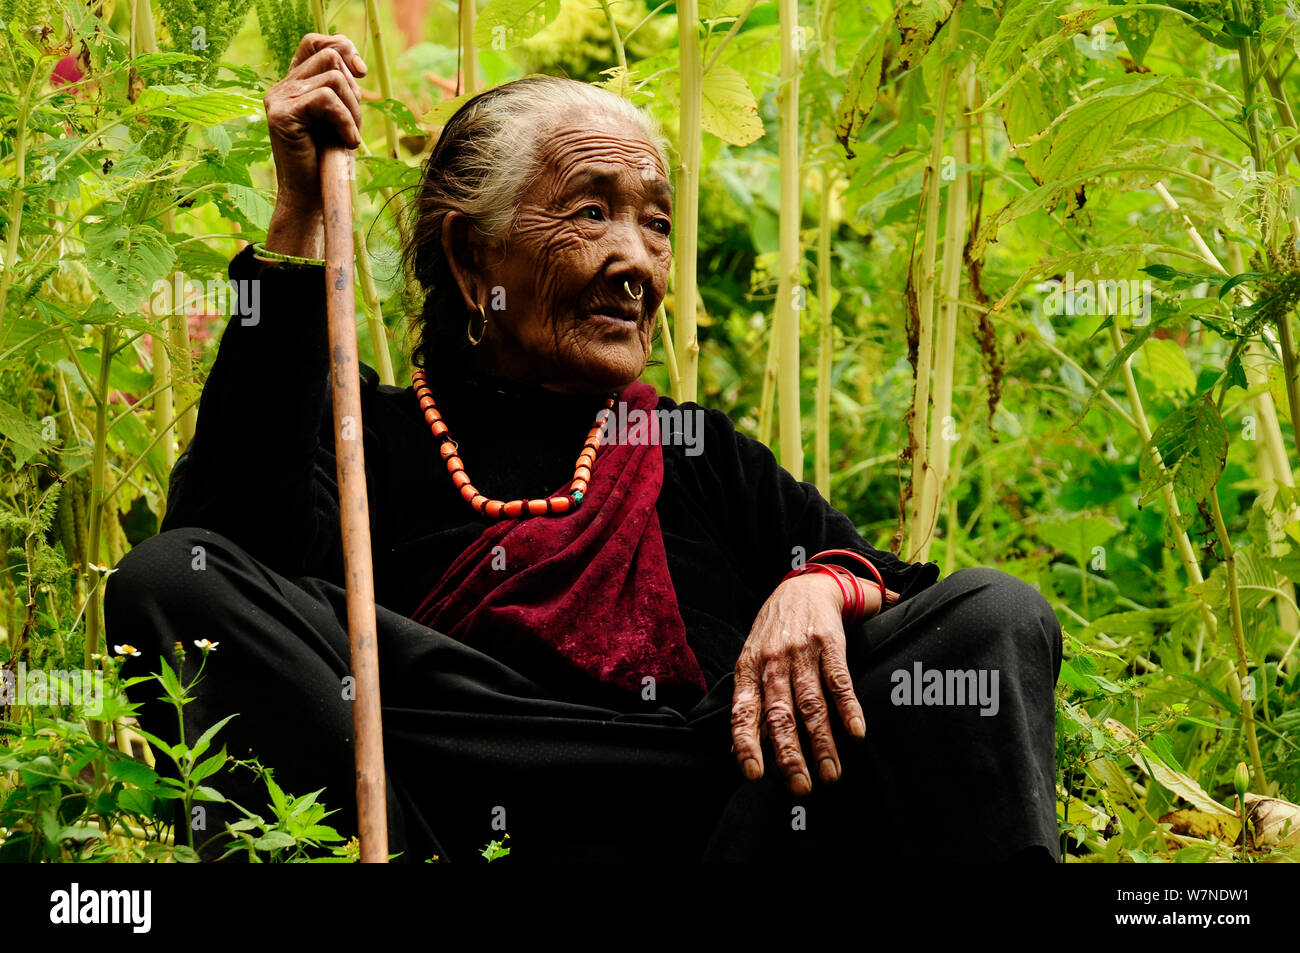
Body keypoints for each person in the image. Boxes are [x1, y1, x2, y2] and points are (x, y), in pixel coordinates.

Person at [105, 33, 1063, 863]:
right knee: (167, 580)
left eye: (654, 224)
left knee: (994, 615)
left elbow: (899, 581)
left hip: (713, 820)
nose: (638, 262)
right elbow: (215, 558)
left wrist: (819, 585)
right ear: (473, 256)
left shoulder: (685, 445)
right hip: (445, 810)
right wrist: (297, 220)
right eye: (592, 211)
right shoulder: (369, 440)